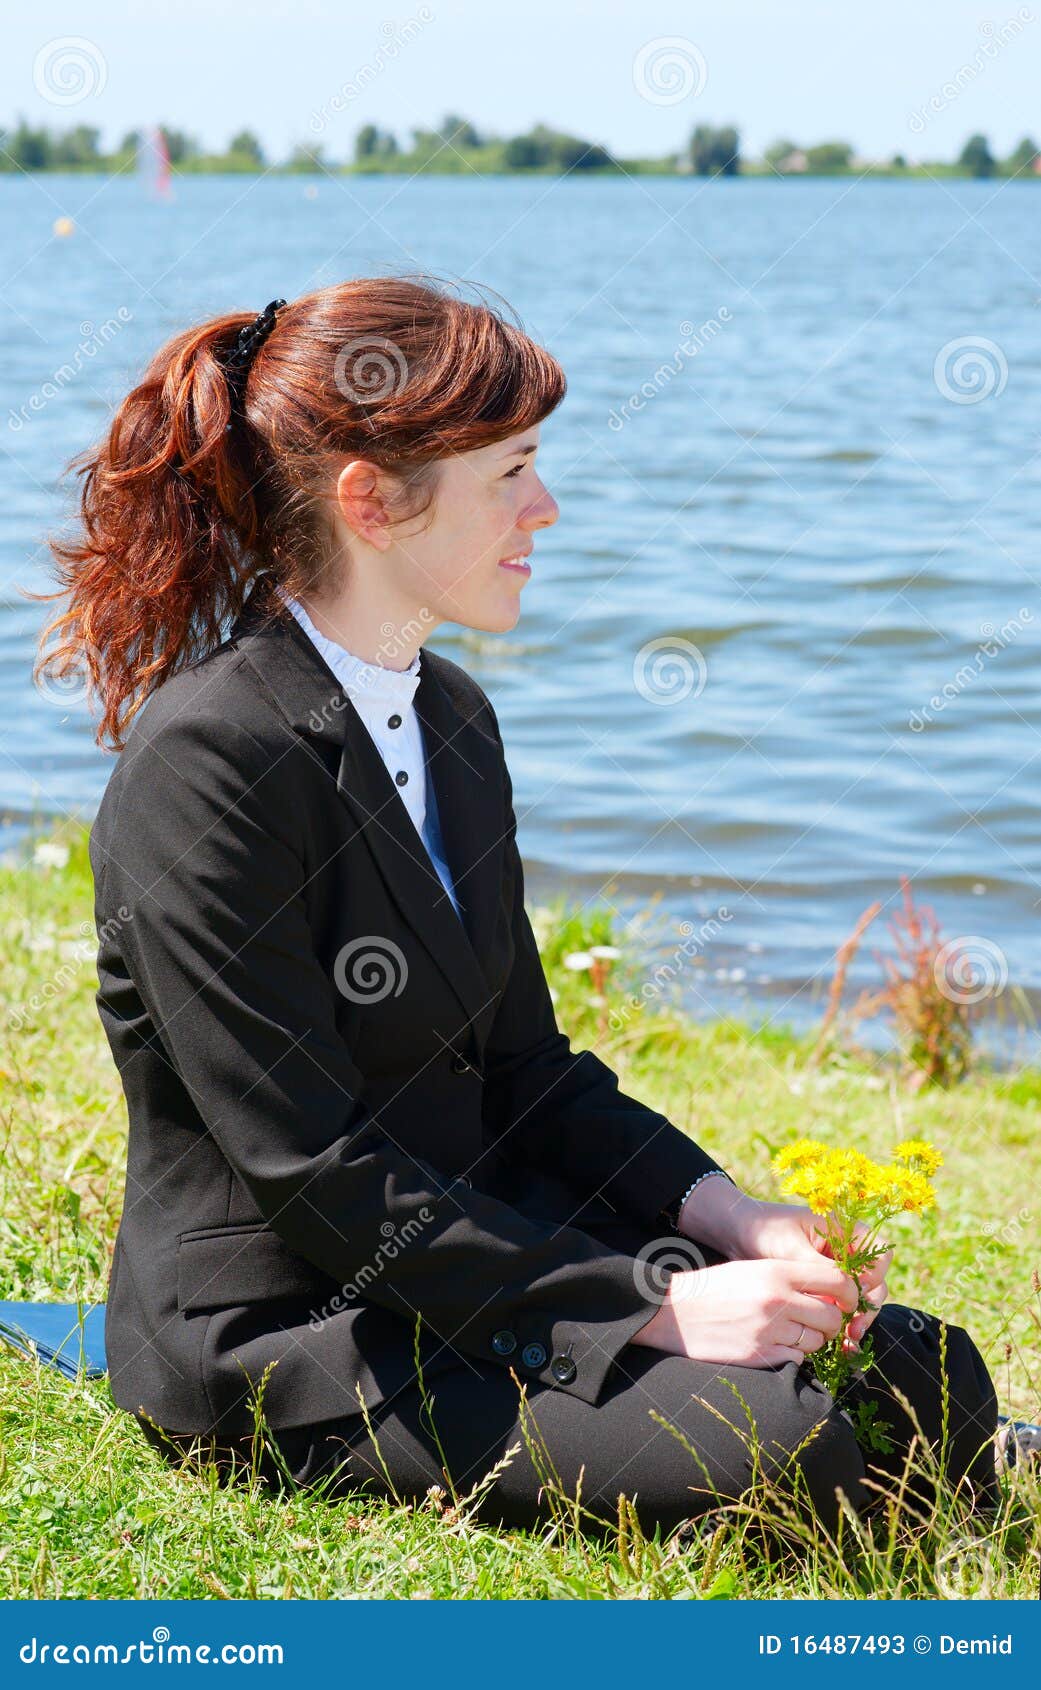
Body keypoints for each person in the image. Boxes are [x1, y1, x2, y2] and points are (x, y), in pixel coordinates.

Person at [34, 276, 1000, 1543]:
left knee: (929, 1370)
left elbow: (530, 1070)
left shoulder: (452, 721)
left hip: (474, 1256)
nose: (544, 508)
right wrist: (647, 1309)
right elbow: (311, 1167)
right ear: (371, 502)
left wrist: (726, 1213)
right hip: (297, 1325)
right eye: (510, 474)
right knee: (798, 1444)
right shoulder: (207, 764)